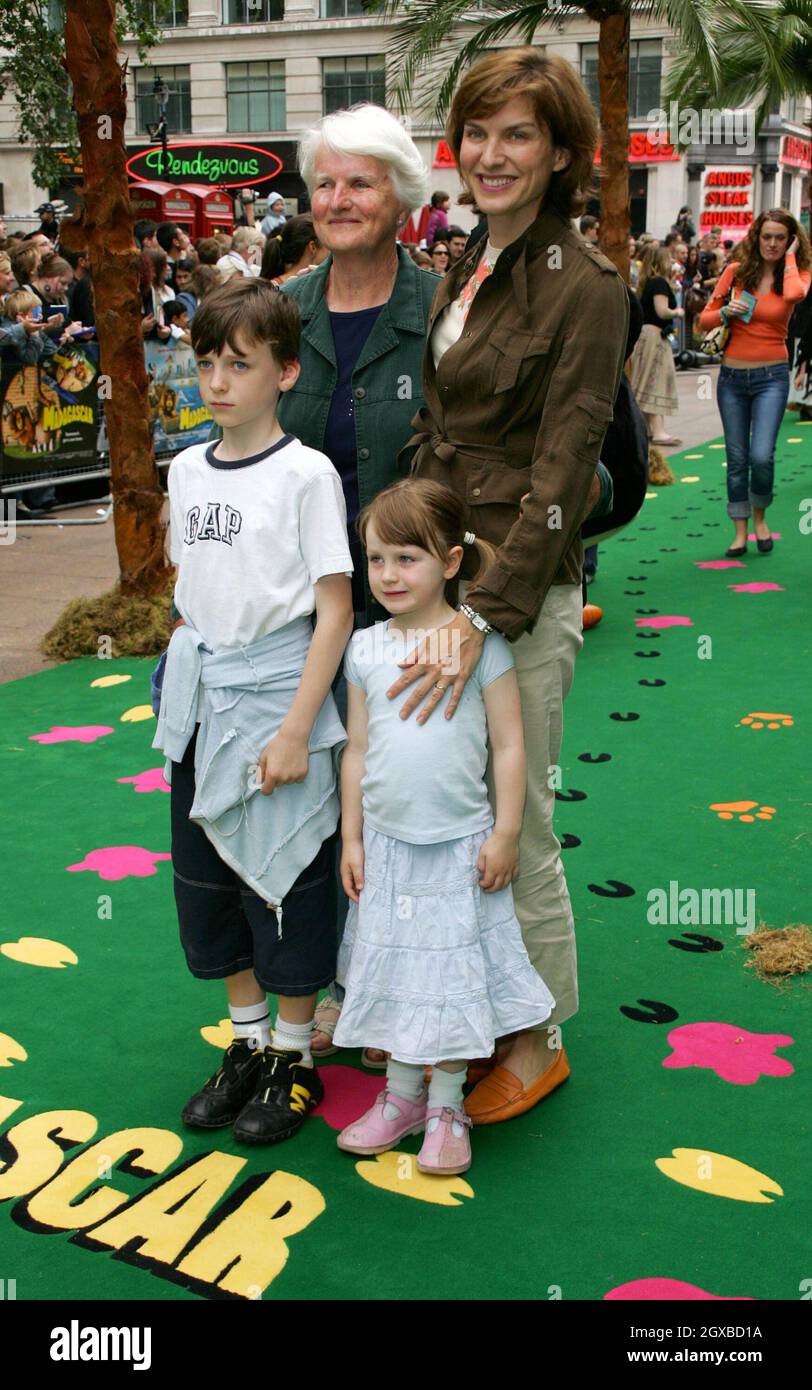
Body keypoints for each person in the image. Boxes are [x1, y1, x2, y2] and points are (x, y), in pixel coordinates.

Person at [391, 47, 628, 1124]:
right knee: (452, 813)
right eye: (477, 132)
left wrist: (484, 614)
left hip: (513, 595)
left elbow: (564, 466)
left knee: (514, 820)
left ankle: (539, 1037)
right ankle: (480, 1013)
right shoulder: (468, 260)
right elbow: (444, 423)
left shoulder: (586, 287)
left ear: (560, 153)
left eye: (517, 135)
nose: (490, 153)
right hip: (444, 577)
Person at [153, 276, 354, 1144]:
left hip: (281, 708)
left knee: (291, 885)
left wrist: (298, 730)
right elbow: (186, 593)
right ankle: (243, 1045)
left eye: (241, 363)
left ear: (287, 371)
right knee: (210, 884)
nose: (219, 380)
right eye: (207, 362)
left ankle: (293, 1055)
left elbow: (335, 608)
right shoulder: (184, 469)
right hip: (204, 709)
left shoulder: (307, 475)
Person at [333, 479, 555, 1174]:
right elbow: (358, 751)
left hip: (461, 846)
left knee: (452, 978)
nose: (390, 575)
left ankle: (447, 1103)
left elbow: (510, 746)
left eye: (408, 558)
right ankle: (400, 1097)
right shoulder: (365, 650)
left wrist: (506, 832)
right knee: (399, 972)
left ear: (452, 562)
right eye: (377, 560)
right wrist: (352, 837)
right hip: (390, 852)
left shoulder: (482, 649)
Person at [698, 208, 811, 557]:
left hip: (771, 377)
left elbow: (794, 295)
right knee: (736, 457)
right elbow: (703, 321)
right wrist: (725, 312)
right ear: (756, 237)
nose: (772, 244)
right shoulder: (735, 272)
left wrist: (791, 257)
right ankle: (740, 530)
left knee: (761, 455)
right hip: (732, 377)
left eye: (780, 237)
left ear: (790, 240)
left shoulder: (797, 273)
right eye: (767, 236)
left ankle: (760, 518)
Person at [630, 245, 683, 446]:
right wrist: (677, 312)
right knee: (656, 379)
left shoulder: (648, 282)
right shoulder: (659, 282)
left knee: (644, 380)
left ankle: (645, 429)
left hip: (646, 334)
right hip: (655, 337)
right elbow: (662, 311)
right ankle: (658, 430)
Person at [259, 214, 327, 284]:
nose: (331, 252)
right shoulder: (274, 289)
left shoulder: (271, 287)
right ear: (313, 247)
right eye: (327, 245)